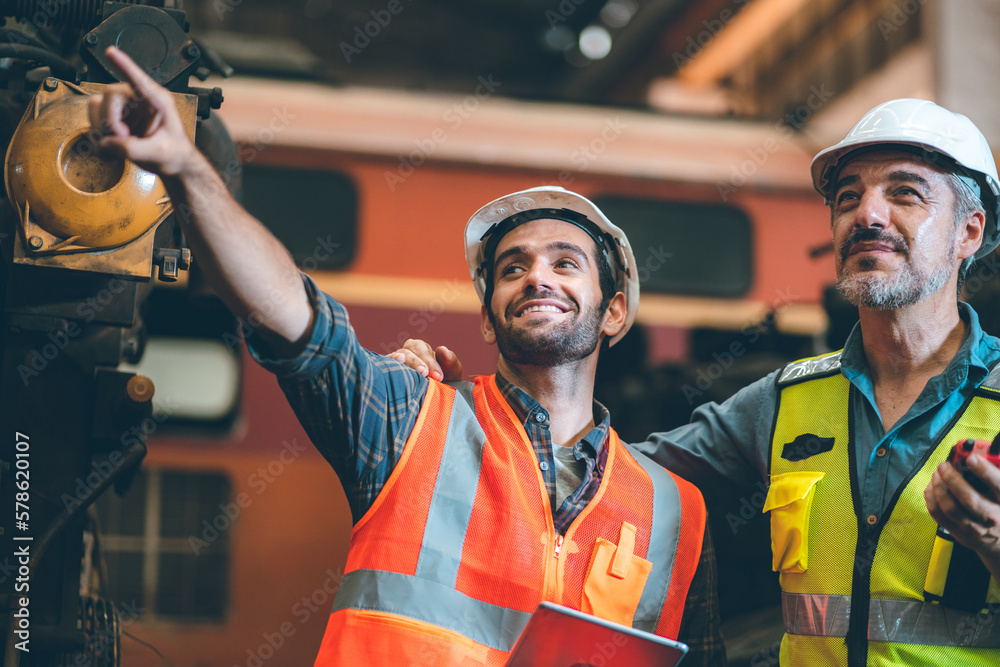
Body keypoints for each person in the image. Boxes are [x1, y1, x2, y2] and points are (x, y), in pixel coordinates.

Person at [89, 47, 725, 665]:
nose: (537, 278)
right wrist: (184, 167)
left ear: (613, 310)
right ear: (486, 314)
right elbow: (293, 318)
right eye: (512, 268)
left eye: (565, 262)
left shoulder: (676, 515)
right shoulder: (408, 421)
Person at [396, 98, 1000, 665]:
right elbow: (610, 480)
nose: (867, 213)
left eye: (905, 194)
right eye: (847, 197)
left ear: (968, 232)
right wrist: (456, 421)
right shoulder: (787, 401)